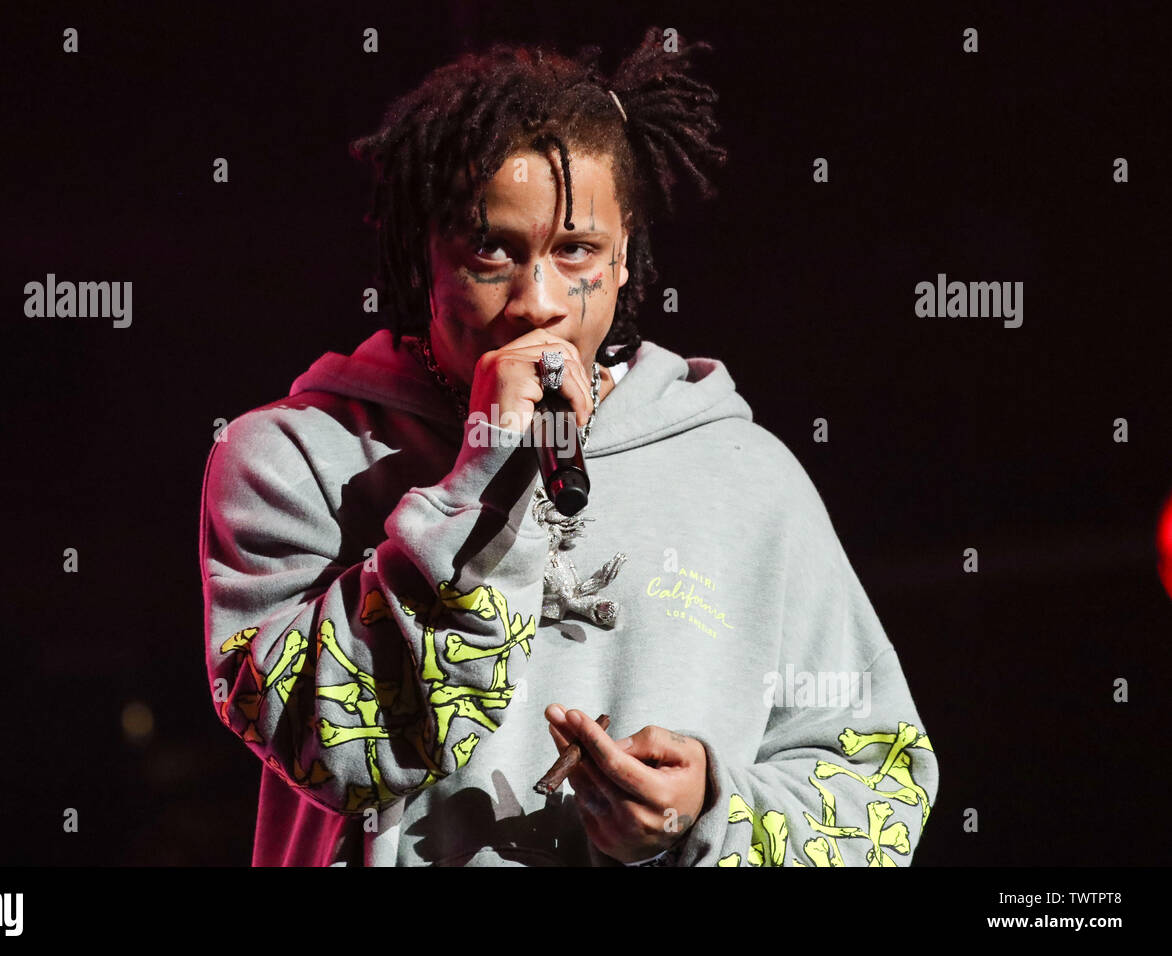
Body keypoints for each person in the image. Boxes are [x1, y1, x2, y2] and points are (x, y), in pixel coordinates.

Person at [199, 26, 938, 866]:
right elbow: (341, 752)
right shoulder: (288, 462)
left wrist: (706, 812)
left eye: (575, 251)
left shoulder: (746, 475)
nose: (537, 300)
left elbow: (879, 788)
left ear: (624, 259)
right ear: (422, 258)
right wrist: (482, 473)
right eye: (491, 250)